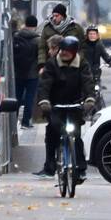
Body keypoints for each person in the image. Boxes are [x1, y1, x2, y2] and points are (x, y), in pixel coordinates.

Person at [34, 36, 95, 181]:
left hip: (74, 103)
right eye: (62, 50)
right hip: (55, 105)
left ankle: (80, 168)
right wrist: (44, 101)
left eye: (67, 51)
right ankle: (50, 166)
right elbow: (45, 84)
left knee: (76, 136)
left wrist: (89, 99)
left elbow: (88, 82)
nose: (63, 53)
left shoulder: (82, 64)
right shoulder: (52, 64)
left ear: (74, 52)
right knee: (53, 133)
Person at [38, 3, 86, 70]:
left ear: (63, 16)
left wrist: (79, 59)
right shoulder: (47, 28)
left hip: (71, 64)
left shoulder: (75, 27)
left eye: (57, 16)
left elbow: (83, 45)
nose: (54, 18)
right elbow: (42, 48)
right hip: (52, 64)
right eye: (53, 15)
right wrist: (42, 64)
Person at [12, 15, 39, 128]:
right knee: (30, 97)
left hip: (18, 73)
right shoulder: (38, 39)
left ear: (25, 24)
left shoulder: (17, 36)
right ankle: (26, 122)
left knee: (16, 97)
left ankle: (13, 122)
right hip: (32, 74)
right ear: (35, 26)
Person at [82, 26, 111, 109]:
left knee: (97, 91)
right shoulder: (83, 45)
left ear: (97, 35)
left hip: (96, 73)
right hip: (84, 72)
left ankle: (98, 107)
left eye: (94, 34)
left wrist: (110, 61)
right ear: (87, 35)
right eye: (90, 34)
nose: (92, 35)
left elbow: (105, 54)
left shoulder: (99, 45)